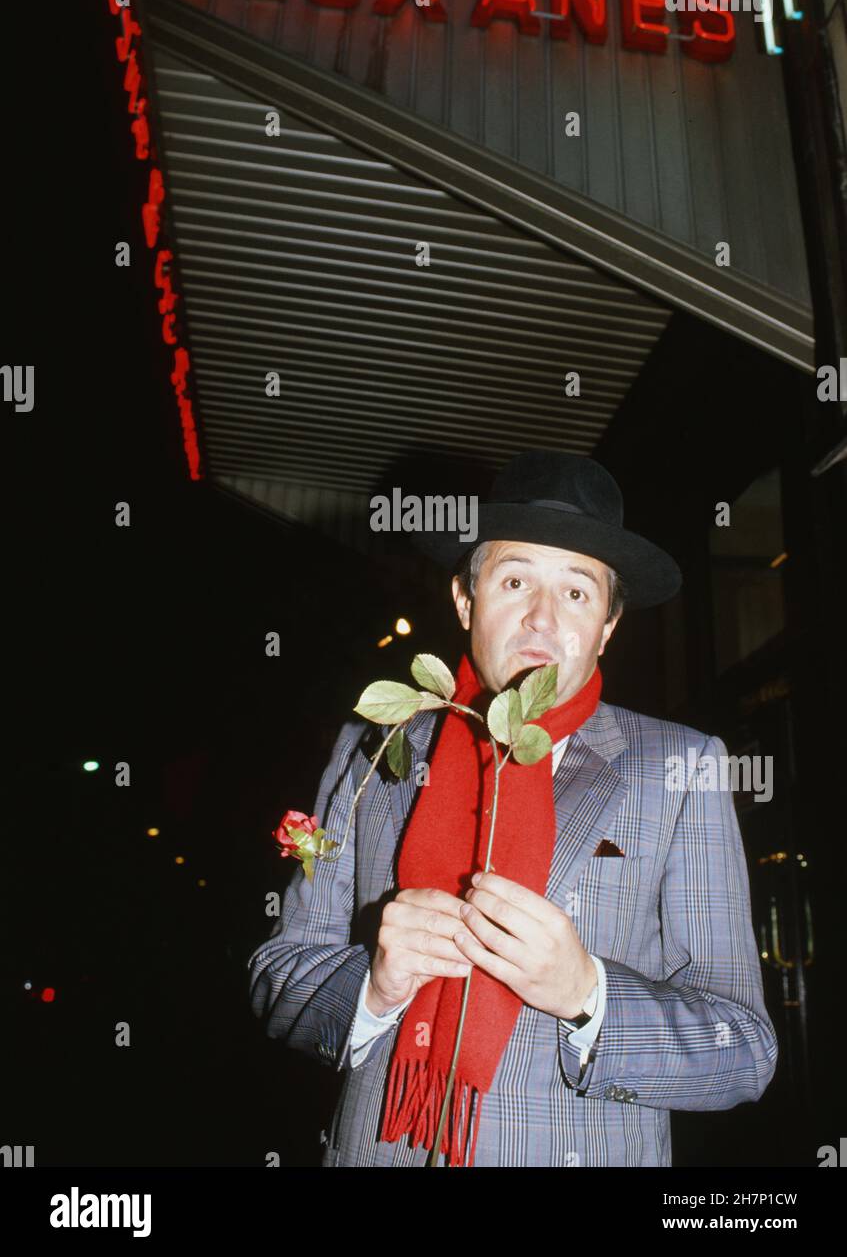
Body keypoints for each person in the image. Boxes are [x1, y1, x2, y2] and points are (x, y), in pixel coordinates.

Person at [247, 450, 778, 1167]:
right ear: (466, 601)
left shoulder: (678, 771)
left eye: (577, 593)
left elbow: (743, 1051)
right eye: (514, 579)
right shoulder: (373, 750)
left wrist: (585, 993)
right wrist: (372, 983)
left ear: (607, 627)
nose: (540, 616)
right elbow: (278, 981)